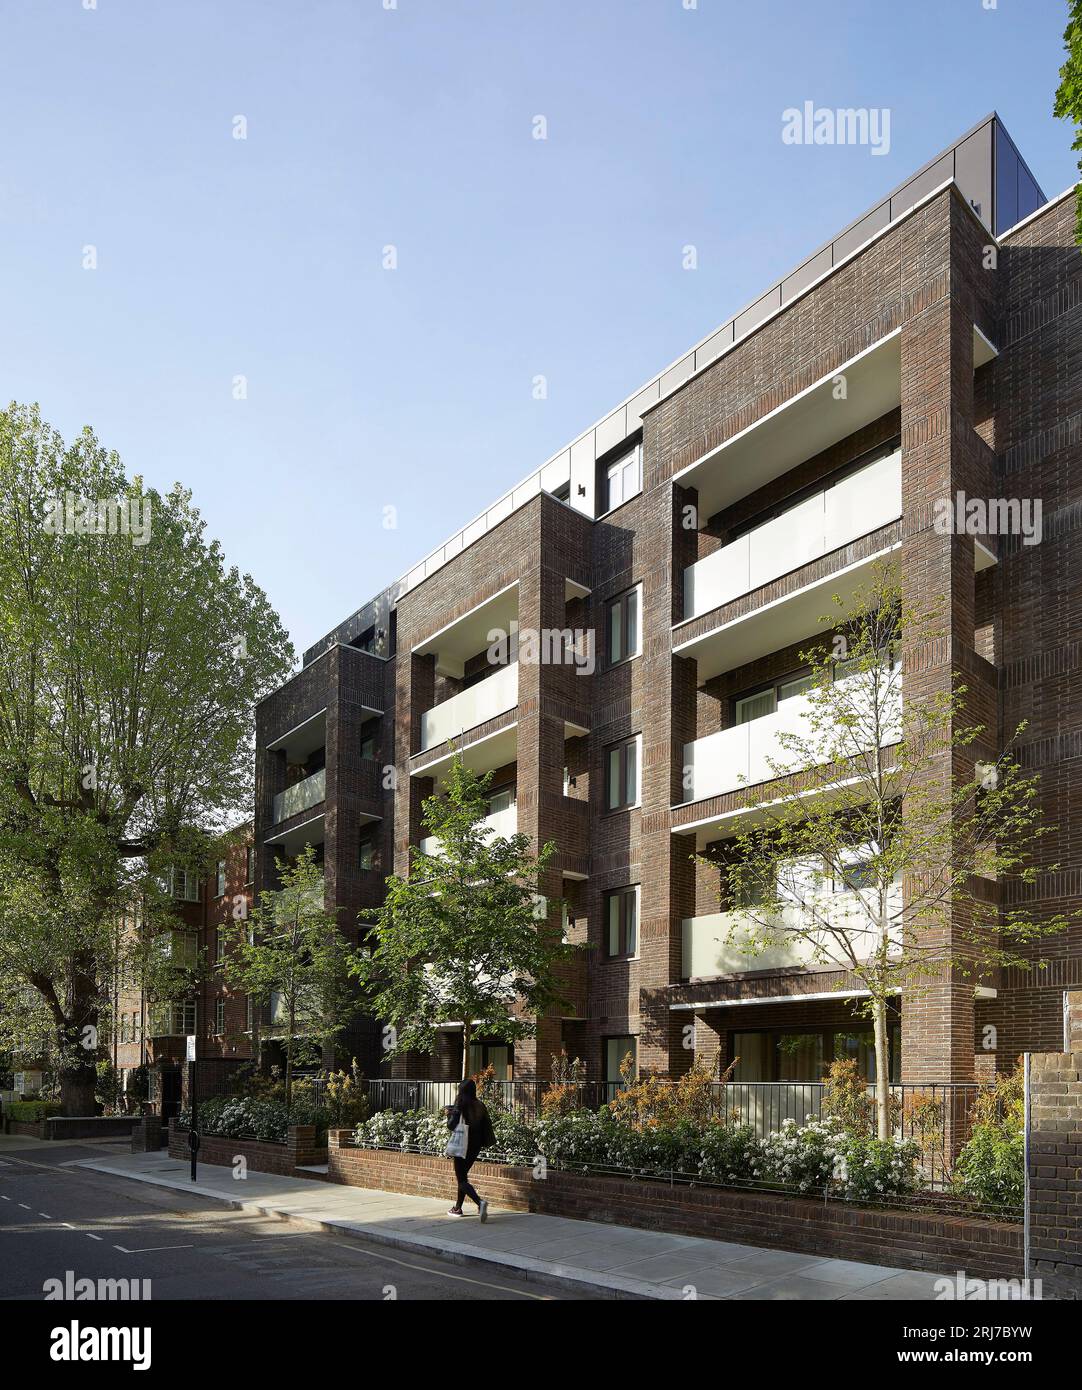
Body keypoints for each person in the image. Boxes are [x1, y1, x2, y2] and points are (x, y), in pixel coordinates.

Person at [445, 1078, 495, 1219]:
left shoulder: (460, 1104)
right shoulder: (480, 1105)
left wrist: (449, 1115)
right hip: (475, 1146)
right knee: (463, 1179)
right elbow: (485, 1127)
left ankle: (480, 1202)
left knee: (461, 1180)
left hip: (462, 1145)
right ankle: (457, 1208)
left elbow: (452, 1126)